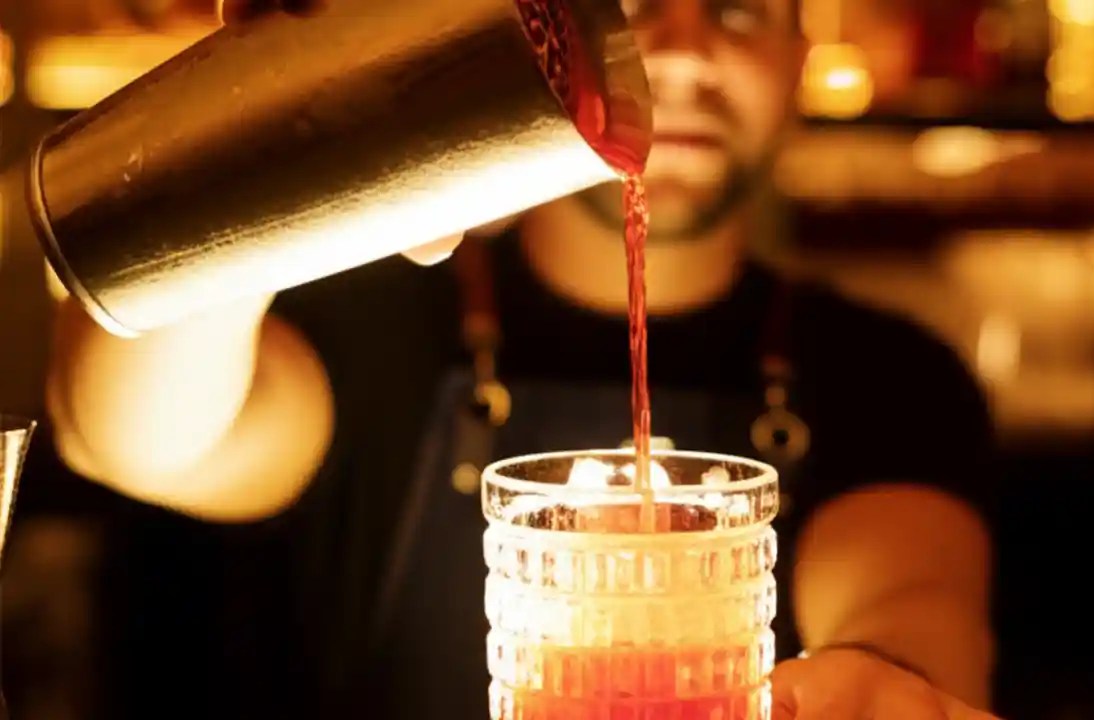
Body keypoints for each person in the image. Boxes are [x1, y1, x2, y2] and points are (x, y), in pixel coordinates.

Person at [45, 0, 1000, 717]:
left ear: (799, 66)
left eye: (740, 9)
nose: (680, 48)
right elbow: (134, 436)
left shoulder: (887, 375)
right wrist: (269, 122)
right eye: (625, 5)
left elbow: (913, 600)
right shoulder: (373, 324)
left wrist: (883, 687)